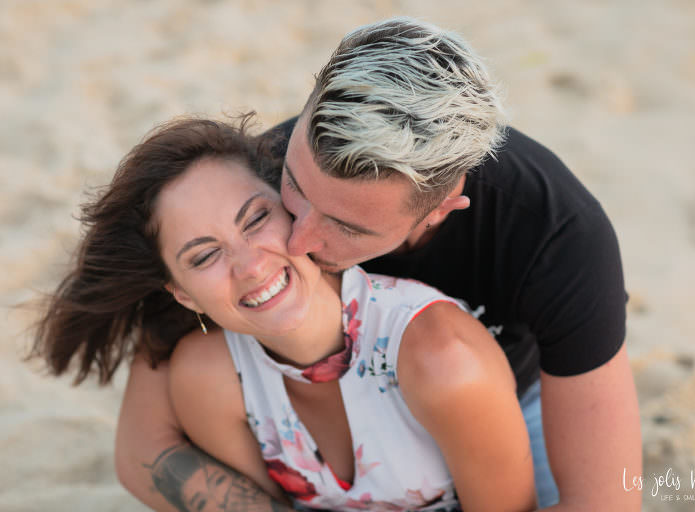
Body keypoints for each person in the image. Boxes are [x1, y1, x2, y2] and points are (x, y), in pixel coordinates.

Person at [115, 17, 642, 511]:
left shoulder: (556, 235)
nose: (297, 238)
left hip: (510, 403)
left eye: (345, 226)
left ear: (440, 208)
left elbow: (608, 501)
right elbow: (144, 448)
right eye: (293, 191)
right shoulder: (255, 183)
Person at [31, 115, 536, 511]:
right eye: (204, 256)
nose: (250, 265)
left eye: (256, 218)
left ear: (296, 207)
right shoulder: (210, 376)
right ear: (183, 294)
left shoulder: (443, 358)